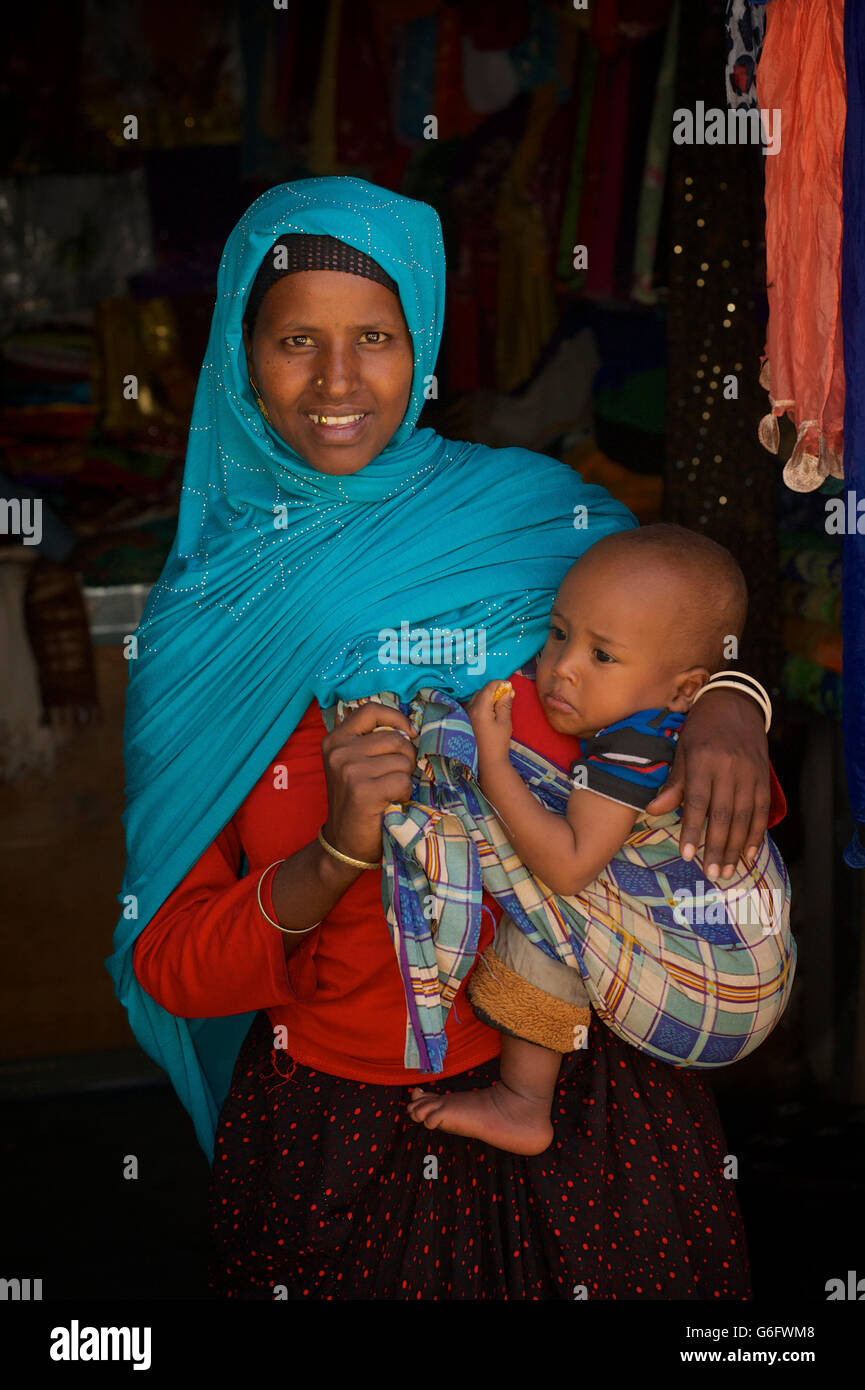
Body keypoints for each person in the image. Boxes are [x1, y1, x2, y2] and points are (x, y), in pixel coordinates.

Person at [108, 177, 781, 1300]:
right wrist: (330, 859)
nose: (336, 381)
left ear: (419, 342)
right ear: (240, 355)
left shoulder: (538, 522)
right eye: (295, 341)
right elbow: (170, 960)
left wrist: (729, 702)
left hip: (594, 1112)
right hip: (342, 1133)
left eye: (373, 336)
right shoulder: (202, 624)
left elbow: (700, 781)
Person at [406, 524, 793, 1156]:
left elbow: (568, 867)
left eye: (602, 656)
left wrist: (496, 764)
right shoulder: (645, 719)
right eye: (558, 634)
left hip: (714, 979)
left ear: (685, 690)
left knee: (540, 905)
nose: (563, 668)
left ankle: (523, 1102)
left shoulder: (637, 745)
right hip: (727, 964)